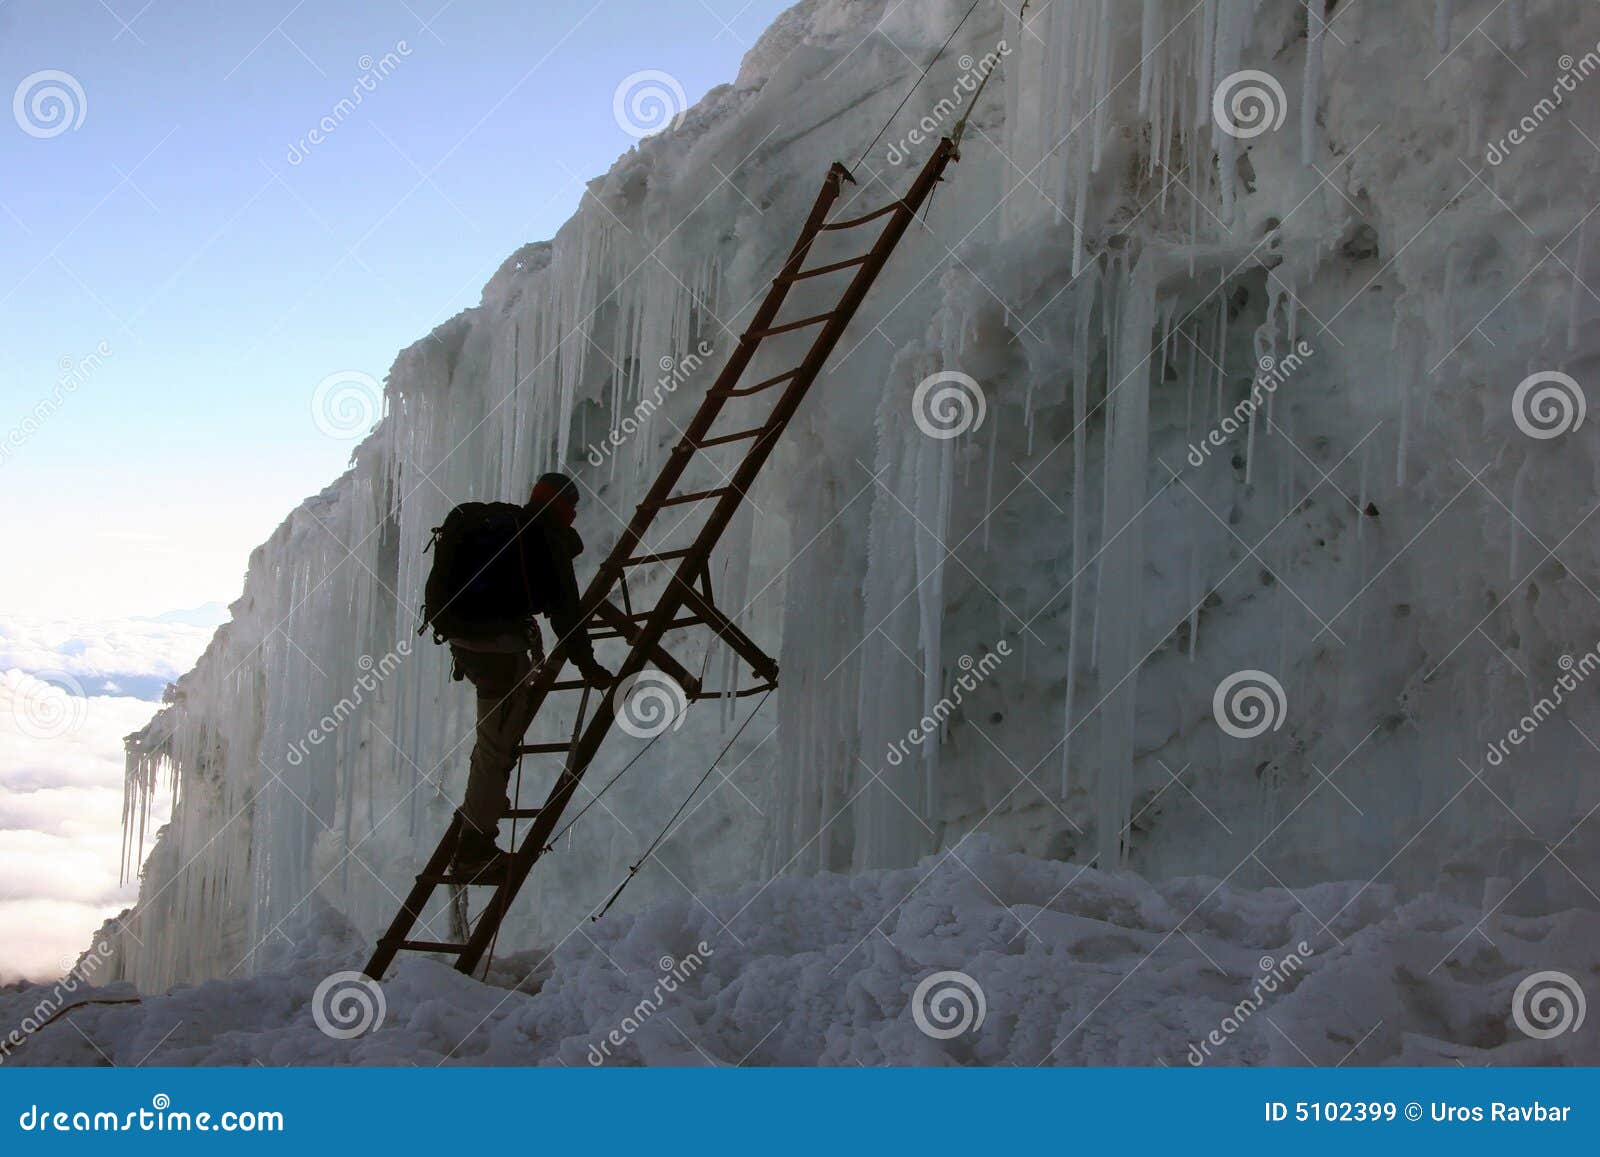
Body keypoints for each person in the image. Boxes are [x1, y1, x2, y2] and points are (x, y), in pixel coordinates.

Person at [440, 473, 611, 880]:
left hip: (466, 644)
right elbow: (567, 615)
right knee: (496, 747)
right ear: (563, 506)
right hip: (500, 653)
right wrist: (587, 665)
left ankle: (483, 807)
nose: (573, 515)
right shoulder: (545, 539)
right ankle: (475, 849)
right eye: (572, 506)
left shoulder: (509, 527)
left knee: (494, 738)